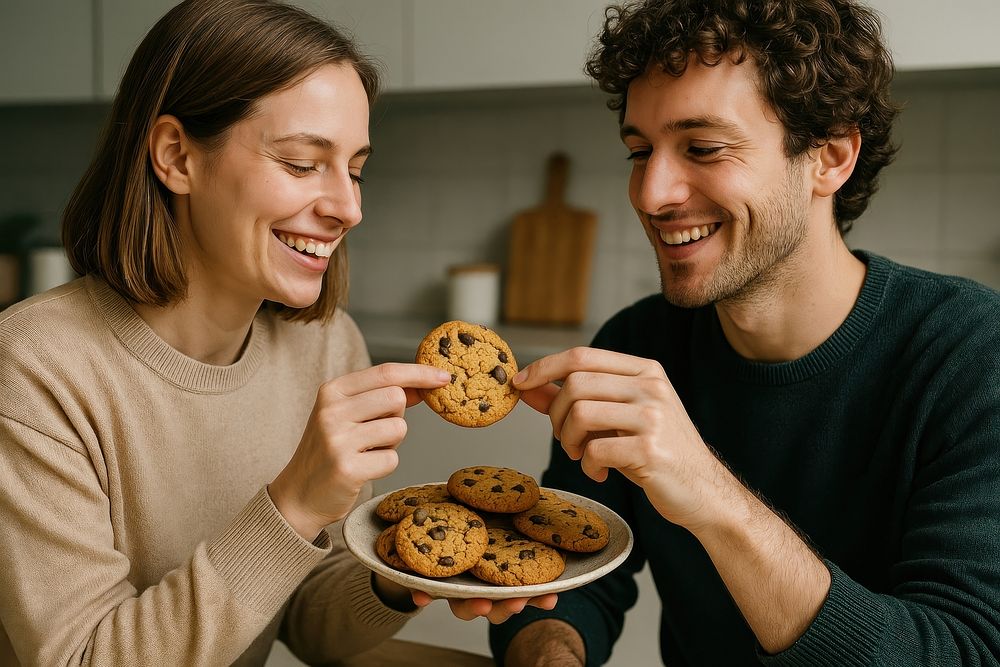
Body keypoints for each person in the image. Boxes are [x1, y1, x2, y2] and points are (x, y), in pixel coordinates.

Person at [479, 0, 1000, 665]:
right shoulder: (636, 345)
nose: (651, 193)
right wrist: (552, 651)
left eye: (702, 147)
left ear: (831, 157)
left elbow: (965, 651)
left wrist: (712, 495)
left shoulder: (971, 354)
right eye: (641, 151)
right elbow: (569, 578)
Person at [0, 0, 479, 664]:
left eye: (355, 168)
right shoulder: (33, 368)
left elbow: (309, 621)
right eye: (304, 163)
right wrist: (292, 504)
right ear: (177, 157)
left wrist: (404, 571)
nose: (349, 207)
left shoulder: (327, 346)